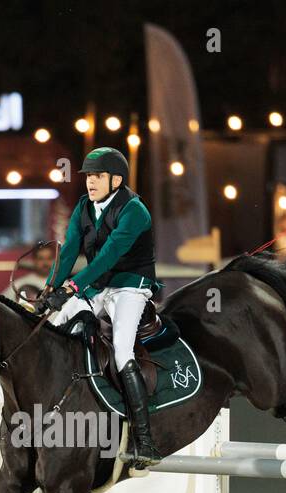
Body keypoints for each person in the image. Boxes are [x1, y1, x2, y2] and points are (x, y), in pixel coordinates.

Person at [41, 146, 163, 468]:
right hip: (99, 285)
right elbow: (68, 252)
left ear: (116, 180)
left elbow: (109, 255)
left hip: (130, 286)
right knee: (55, 326)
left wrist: (72, 287)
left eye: (97, 176)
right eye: (88, 177)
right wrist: (51, 288)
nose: (90, 182)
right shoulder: (83, 206)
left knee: (123, 351)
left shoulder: (135, 211)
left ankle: (144, 440)